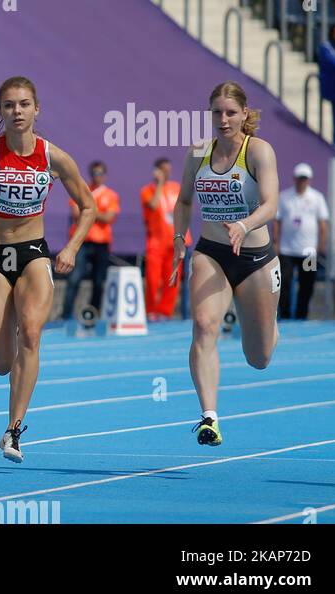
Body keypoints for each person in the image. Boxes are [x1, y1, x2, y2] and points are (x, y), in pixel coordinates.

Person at [0, 76, 97, 462]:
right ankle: (14, 372)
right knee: (0, 362)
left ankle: (13, 430)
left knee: (31, 333)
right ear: (0, 111)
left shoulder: (53, 157)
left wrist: (72, 248)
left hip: (33, 253)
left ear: (36, 109)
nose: (17, 112)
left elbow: (89, 206)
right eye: (9, 105)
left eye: (24, 104)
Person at [172, 81, 281, 447]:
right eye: (217, 112)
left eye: (231, 112)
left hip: (254, 260)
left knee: (259, 357)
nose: (223, 119)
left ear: (244, 115)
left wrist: (244, 224)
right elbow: (184, 201)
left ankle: (270, 324)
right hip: (211, 252)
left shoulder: (258, 152)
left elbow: (270, 204)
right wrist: (178, 240)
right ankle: (209, 418)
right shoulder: (199, 152)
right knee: (203, 326)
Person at [60, 160, 118, 319]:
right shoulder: (82, 190)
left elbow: (108, 218)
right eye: (94, 173)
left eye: (99, 173)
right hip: (81, 241)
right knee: (74, 278)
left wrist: (90, 211)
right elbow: (76, 213)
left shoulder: (111, 195)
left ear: (104, 175)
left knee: (98, 282)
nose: (96, 176)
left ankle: (93, 316)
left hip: (101, 243)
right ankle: (66, 316)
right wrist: (96, 212)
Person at [274, 163, 330, 320]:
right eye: (299, 178)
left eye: (305, 179)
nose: (302, 181)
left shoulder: (317, 198)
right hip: (287, 250)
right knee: (284, 283)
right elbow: (277, 221)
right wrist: (276, 243)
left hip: (309, 250)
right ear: (294, 179)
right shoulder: (284, 197)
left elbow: (323, 223)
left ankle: (301, 314)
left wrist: (322, 245)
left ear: (309, 180)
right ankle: (284, 314)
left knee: (307, 284)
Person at [141, 157, 188, 320]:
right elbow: (153, 205)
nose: (167, 173)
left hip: (174, 240)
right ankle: (151, 310)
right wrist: (159, 184)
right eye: (163, 170)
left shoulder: (176, 188)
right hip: (156, 241)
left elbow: (184, 208)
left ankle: (165, 312)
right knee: (153, 280)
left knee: (172, 278)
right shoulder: (148, 190)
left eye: (169, 170)